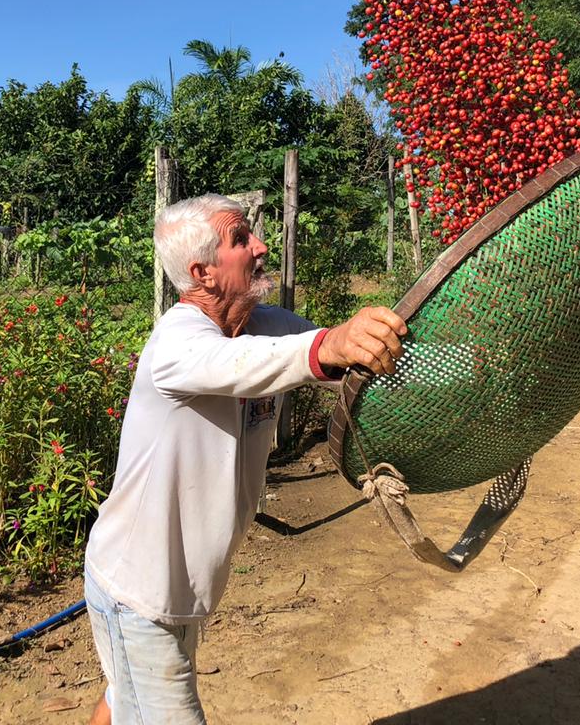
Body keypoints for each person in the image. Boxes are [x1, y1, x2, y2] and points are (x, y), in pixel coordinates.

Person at [83, 193, 407, 725]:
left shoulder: (264, 326)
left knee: (125, 696)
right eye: (241, 240)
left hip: (183, 585)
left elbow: (313, 350)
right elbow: (244, 362)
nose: (260, 246)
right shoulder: (176, 344)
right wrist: (328, 345)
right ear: (202, 272)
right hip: (140, 591)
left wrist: (354, 342)